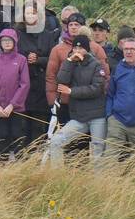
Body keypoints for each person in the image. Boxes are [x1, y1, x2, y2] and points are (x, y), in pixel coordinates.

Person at [46, 34, 108, 166]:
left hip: (97, 116)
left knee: (98, 149)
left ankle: (101, 182)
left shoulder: (97, 65)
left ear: (87, 49)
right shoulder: (70, 63)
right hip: (79, 117)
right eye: (75, 48)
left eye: (81, 48)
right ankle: (56, 177)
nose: (78, 51)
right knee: (56, 141)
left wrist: (71, 91)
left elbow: (96, 89)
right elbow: (61, 80)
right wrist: (68, 62)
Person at [0, 29, 30, 158]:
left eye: (9, 40)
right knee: (2, 135)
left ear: (15, 42)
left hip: (16, 108)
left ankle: (17, 163)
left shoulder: (21, 60)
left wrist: (12, 105)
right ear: (0, 43)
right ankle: (3, 162)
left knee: (17, 135)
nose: (7, 43)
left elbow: (24, 84)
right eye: (4, 40)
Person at [17, 1, 57, 143]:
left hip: (41, 86)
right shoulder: (18, 34)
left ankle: (38, 157)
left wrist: (38, 60)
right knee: (22, 126)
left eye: (33, 12)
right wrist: (25, 59)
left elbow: (53, 60)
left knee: (39, 126)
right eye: (27, 13)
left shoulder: (48, 35)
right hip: (22, 85)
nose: (30, 16)